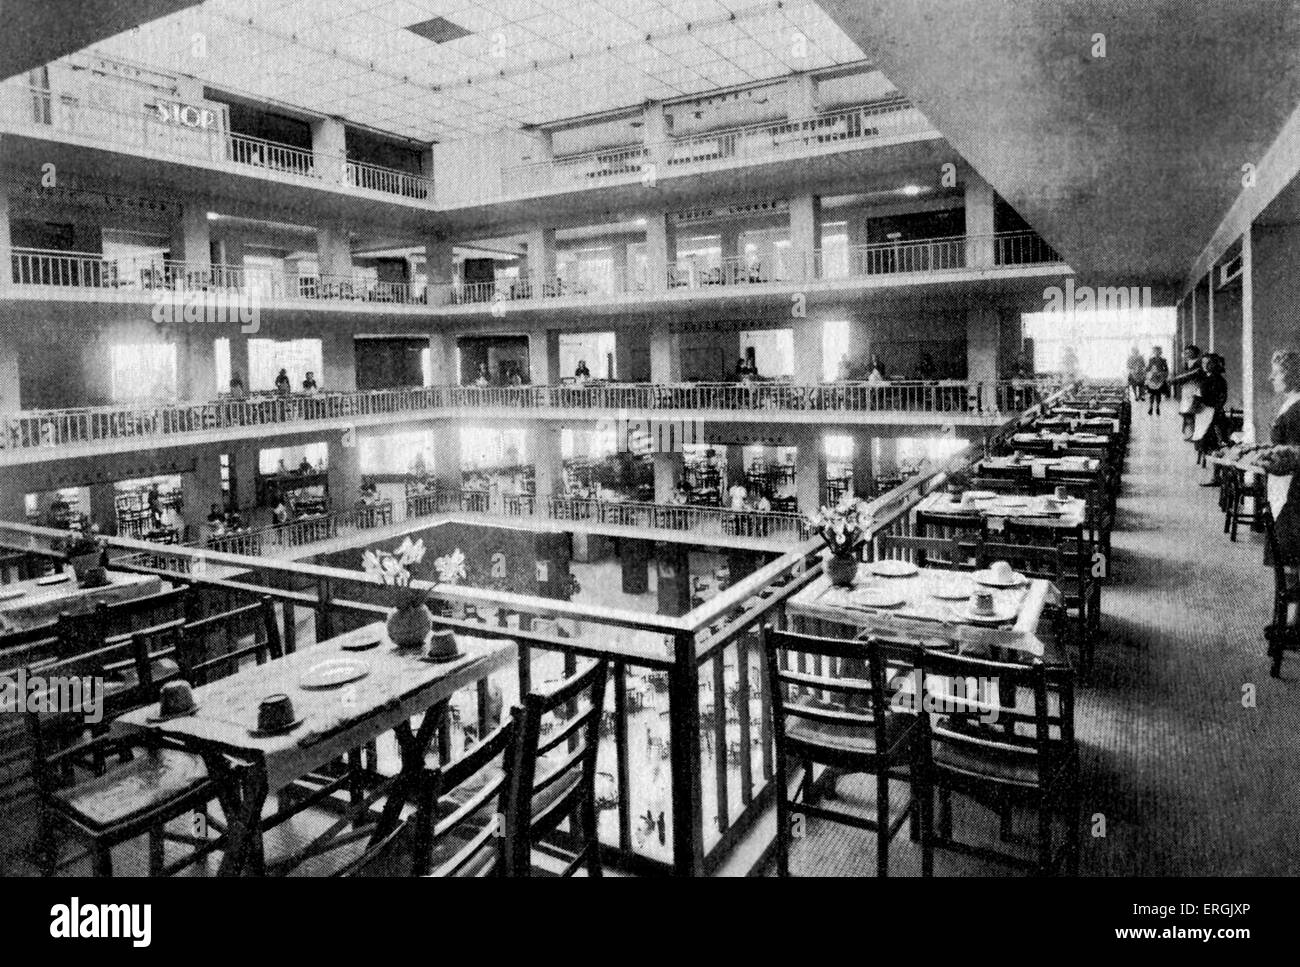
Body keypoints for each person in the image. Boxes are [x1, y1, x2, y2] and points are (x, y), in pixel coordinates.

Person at [1259, 349, 1300, 571]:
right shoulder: (1290, 403)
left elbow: (1293, 455)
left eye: (1277, 372)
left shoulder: (1297, 410)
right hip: (1284, 486)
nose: (1271, 377)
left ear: (1293, 375)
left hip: (1293, 491)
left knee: (1292, 560)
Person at [1170, 344, 1204, 437]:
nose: (1187, 354)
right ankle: (1188, 432)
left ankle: (1192, 433)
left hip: (1195, 389)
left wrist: (1175, 380)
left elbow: (1190, 375)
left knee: (1191, 411)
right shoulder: (1186, 364)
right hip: (1187, 390)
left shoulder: (1198, 363)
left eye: (1189, 352)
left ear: (1195, 353)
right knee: (1186, 411)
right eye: (1186, 353)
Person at [1144, 346, 1169, 415]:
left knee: (1158, 395)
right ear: (1153, 352)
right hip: (1152, 379)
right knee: (1151, 394)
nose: (1157, 353)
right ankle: (1151, 407)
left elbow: (1166, 370)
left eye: (1158, 351)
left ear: (1160, 352)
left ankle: (1157, 407)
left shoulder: (1163, 360)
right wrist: (1147, 371)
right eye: (1155, 351)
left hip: (1159, 379)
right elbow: (1148, 368)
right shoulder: (1151, 360)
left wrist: (1162, 374)